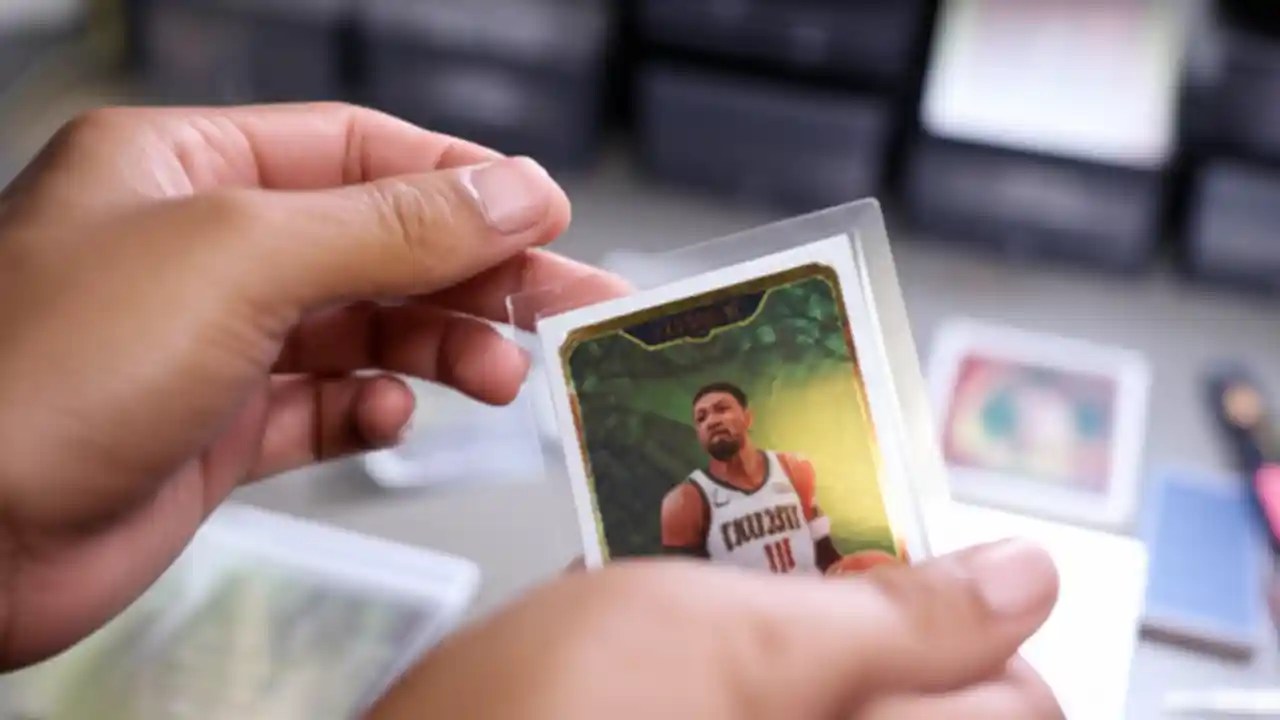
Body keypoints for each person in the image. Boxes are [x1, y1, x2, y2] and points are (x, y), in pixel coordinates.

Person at [0, 102, 1064, 719]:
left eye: (723, 414)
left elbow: (843, 559)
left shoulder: (803, 478)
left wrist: (10, 544)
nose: (714, 428)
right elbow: (666, 582)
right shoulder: (685, 506)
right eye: (700, 420)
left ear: (746, 417)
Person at [662, 382, 843, 574]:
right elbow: (686, 588)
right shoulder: (685, 501)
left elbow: (826, 553)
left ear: (748, 417)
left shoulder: (793, 467)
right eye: (701, 418)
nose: (712, 421)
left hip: (811, 598)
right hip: (748, 604)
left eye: (722, 409)